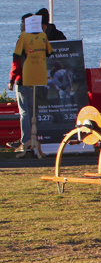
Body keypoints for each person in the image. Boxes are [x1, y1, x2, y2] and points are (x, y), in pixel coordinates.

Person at [8, 13, 53, 157]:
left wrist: (12, 79)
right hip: (37, 77)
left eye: (22, 22)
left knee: (25, 112)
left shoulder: (23, 38)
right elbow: (48, 54)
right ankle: (32, 140)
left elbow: (16, 60)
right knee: (32, 110)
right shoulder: (41, 37)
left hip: (23, 78)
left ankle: (26, 140)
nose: (21, 25)